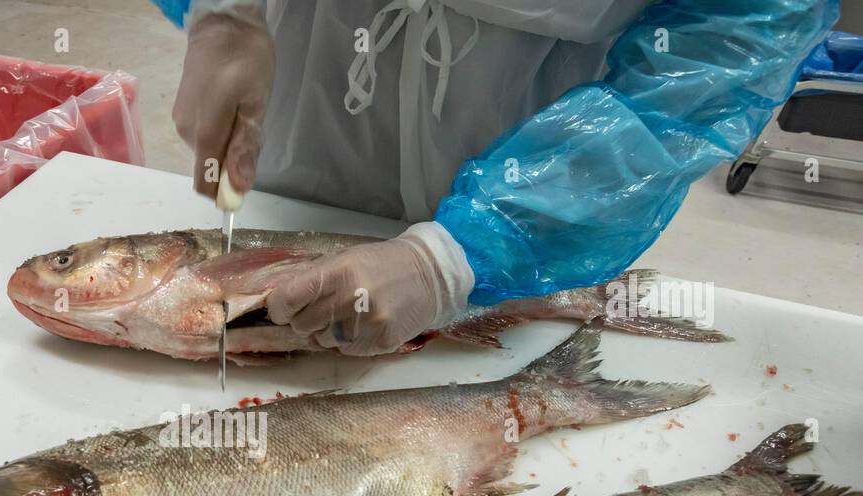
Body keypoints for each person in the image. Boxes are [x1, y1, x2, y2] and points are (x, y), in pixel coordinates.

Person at [154, 0, 839, 354]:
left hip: (543, 136)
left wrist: (463, 257)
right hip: (308, 73)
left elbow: (730, 37)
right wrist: (224, 14)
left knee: (493, 354)